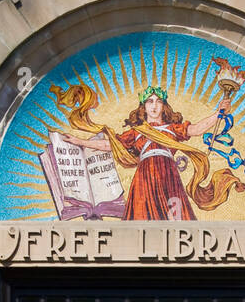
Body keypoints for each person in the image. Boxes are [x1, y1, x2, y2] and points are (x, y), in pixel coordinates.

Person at [61, 85, 231, 221]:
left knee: (175, 213)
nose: (154, 105)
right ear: (144, 107)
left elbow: (196, 129)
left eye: (158, 101)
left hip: (167, 173)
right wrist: (81, 142)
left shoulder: (172, 128)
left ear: (164, 106)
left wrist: (218, 113)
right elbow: (111, 145)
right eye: (150, 101)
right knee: (142, 213)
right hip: (145, 175)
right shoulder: (137, 132)